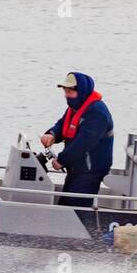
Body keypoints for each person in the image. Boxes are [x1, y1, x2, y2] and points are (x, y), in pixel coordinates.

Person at [40, 72, 114, 222]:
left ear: (81, 91)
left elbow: (84, 143)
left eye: (70, 92)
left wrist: (61, 160)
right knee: (65, 207)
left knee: (75, 212)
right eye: (65, 92)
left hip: (90, 171)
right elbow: (63, 124)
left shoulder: (97, 113)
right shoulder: (75, 106)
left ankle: (82, 240)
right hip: (76, 169)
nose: (67, 95)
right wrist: (52, 134)